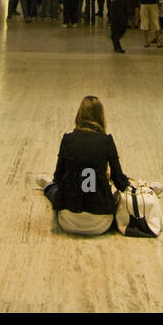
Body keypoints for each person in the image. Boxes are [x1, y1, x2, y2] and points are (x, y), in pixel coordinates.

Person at [34, 96, 130, 236]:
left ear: (79, 115)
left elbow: (58, 178)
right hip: (101, 223)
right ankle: (145, 189)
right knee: (117, 196)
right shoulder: (107, 141)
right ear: (101, 117)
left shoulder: (68, 139)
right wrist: (106, 176)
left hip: (68, 221)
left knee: (56, 189)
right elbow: (120, 182)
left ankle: (47, 186)